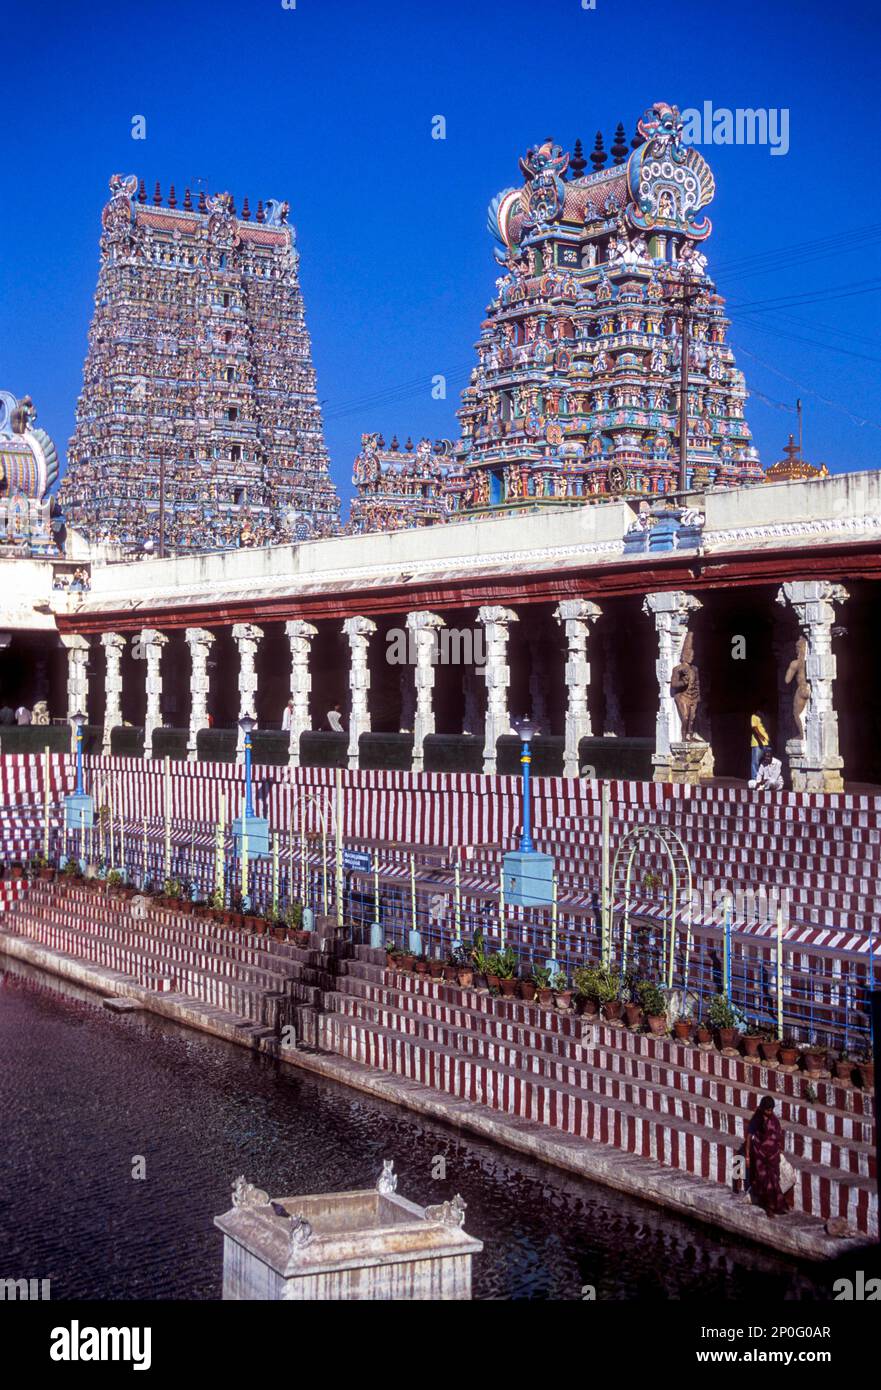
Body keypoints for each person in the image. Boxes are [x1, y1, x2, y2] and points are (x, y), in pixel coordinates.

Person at [745, 1097, 789, 1217]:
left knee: (774, 1180)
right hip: (760, 1155)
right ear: (763, 1109)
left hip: (773, 1155)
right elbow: (749, 1137)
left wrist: (778, 1149)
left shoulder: (774, 1120)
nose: (769, 1113)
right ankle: (769, 1207)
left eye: (771, 1110)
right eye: (767, 1110)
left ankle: (778, 1205)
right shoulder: (757, 1119)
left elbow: (778, 1136)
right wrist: (747, 1156)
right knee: (765, 1182)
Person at [750, 709, 770, 779]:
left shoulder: (764, 717)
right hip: (757, 743)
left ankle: (764, 777)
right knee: (755, 762)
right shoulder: (754, 716)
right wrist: (760, 738)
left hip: (766, 743)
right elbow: (755, 728)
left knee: (766, 761)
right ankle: (755, 778)